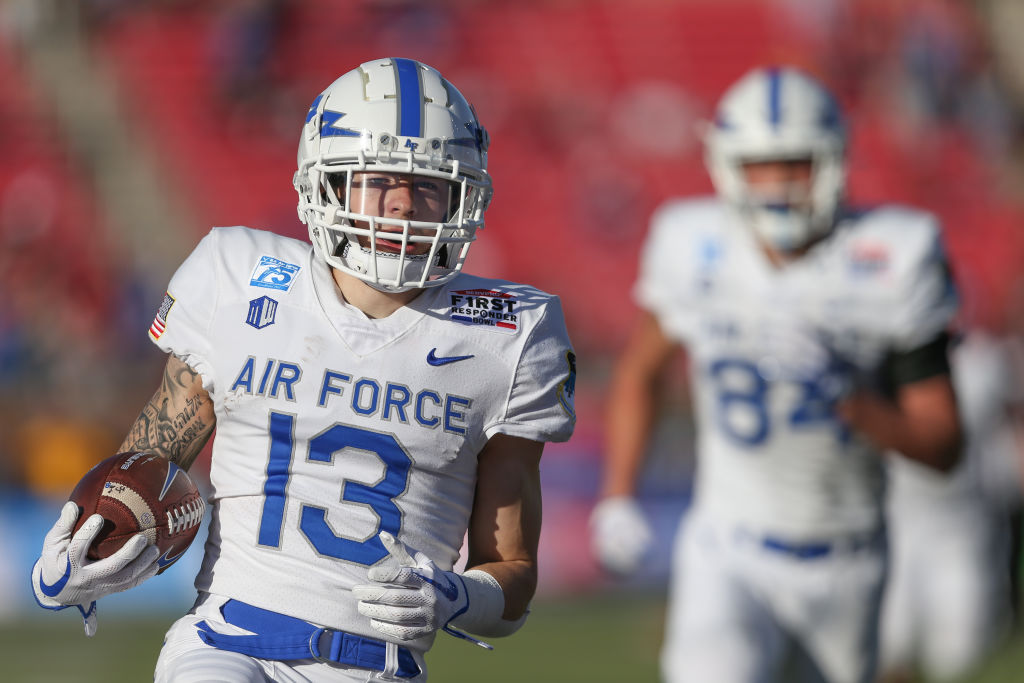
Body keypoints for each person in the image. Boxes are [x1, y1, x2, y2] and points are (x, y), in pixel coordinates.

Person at [30, 57, 577, 682]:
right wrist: (85, 547)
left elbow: (512, 578)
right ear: (327, 183)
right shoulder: (235, 276)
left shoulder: (510, 334)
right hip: (223, 642)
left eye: (428, 184)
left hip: (377, 665)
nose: (402, 204)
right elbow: (146, 472)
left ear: (462, 195)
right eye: (378, 179)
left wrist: (454, 596)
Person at [589, 66, 962, 683]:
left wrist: (851, 398)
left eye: (795, 163)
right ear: (726, 167)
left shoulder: (895, 255)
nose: (778, 183)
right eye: (759, 165)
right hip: (729, 549)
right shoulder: (693, 244)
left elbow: (943, 445)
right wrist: (618, 494)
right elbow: (640, 373)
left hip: (849, 557)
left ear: (833, 161)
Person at [879, 329, 1020, 682]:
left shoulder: (983, 361)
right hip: (898, 519)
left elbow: (1009, 428)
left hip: (962, 521)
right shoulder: (881, 358)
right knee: (891, 643)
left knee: (961, 647)